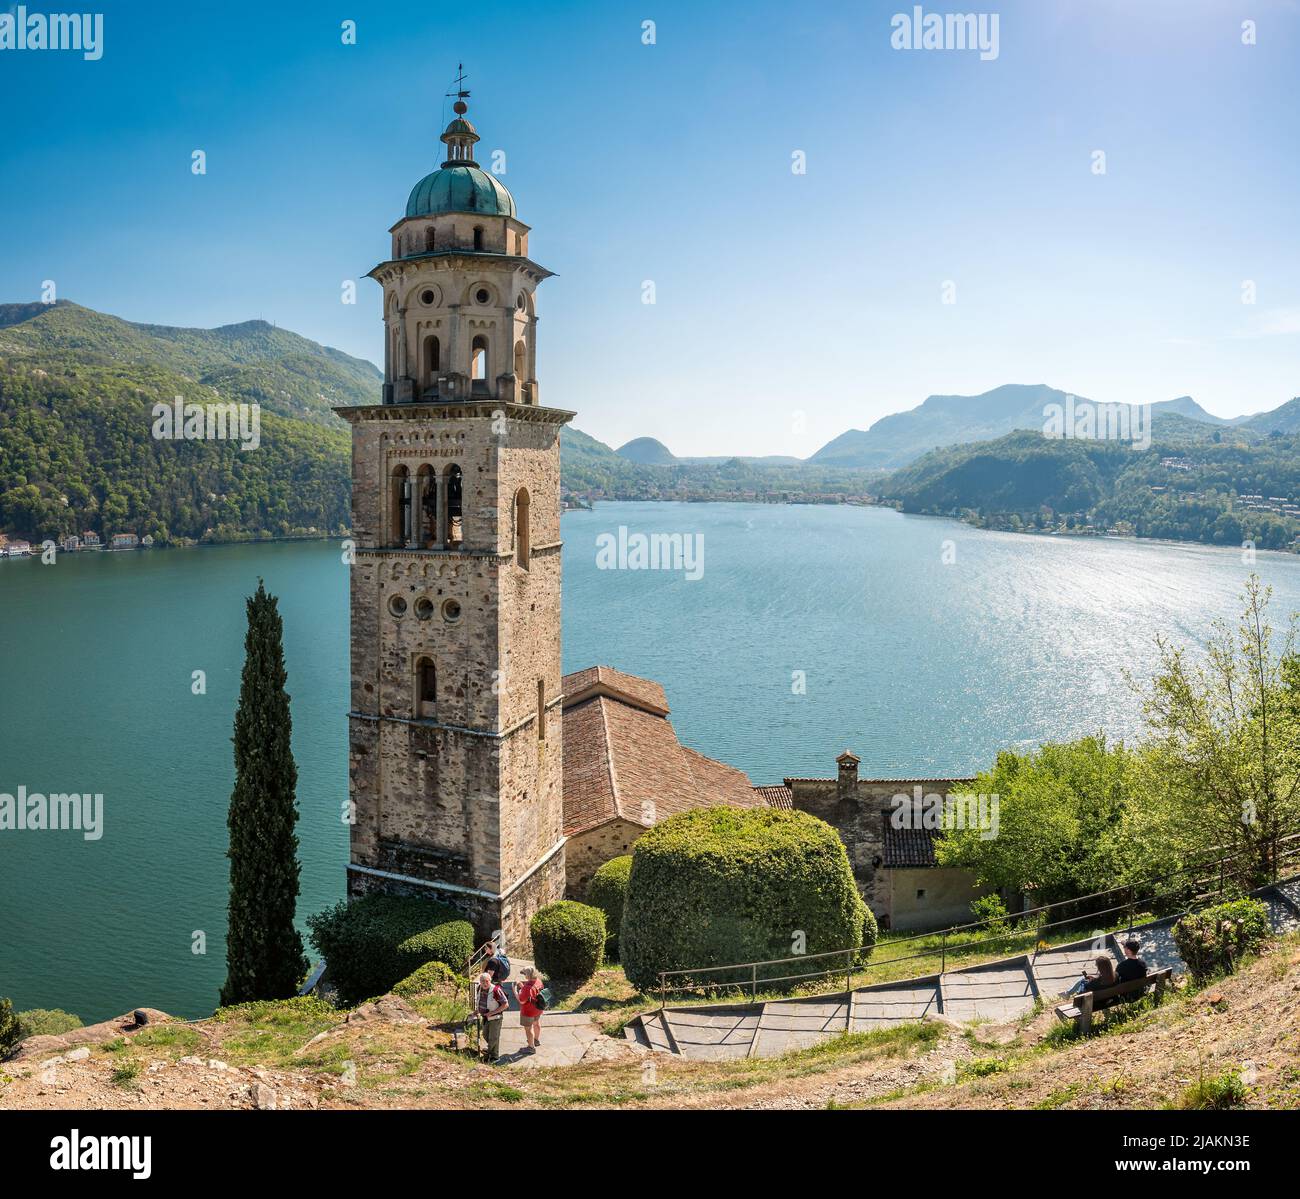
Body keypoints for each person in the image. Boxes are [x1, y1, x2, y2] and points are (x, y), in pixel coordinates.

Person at [474, 971, 509, 1062]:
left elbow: (505, 1005)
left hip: (495, 1018)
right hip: (485, 1017)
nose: (485, 983)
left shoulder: (496, 990)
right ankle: (493, 1052)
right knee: (485, 1035)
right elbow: (480, 1001)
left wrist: (493, 1012)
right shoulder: (479, 988)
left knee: (493, 1038)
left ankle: (492, 1056)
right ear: (480, 981)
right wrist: (477, 1011)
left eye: (487, 981)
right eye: (482, 981)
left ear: (490, 981)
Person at [514, 966, 544, 1053]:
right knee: (536, 1024)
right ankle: (536, 1040)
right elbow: (532, 992)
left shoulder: (527, 987)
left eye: (524, 974)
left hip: (528, 1011)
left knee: (528, 1029)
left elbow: (521, 1001)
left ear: (528, 975)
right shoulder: (538, 981)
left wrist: (515, 990)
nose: (524, 976)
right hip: (538, 1008)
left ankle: (531, 1047)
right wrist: (522, 986)